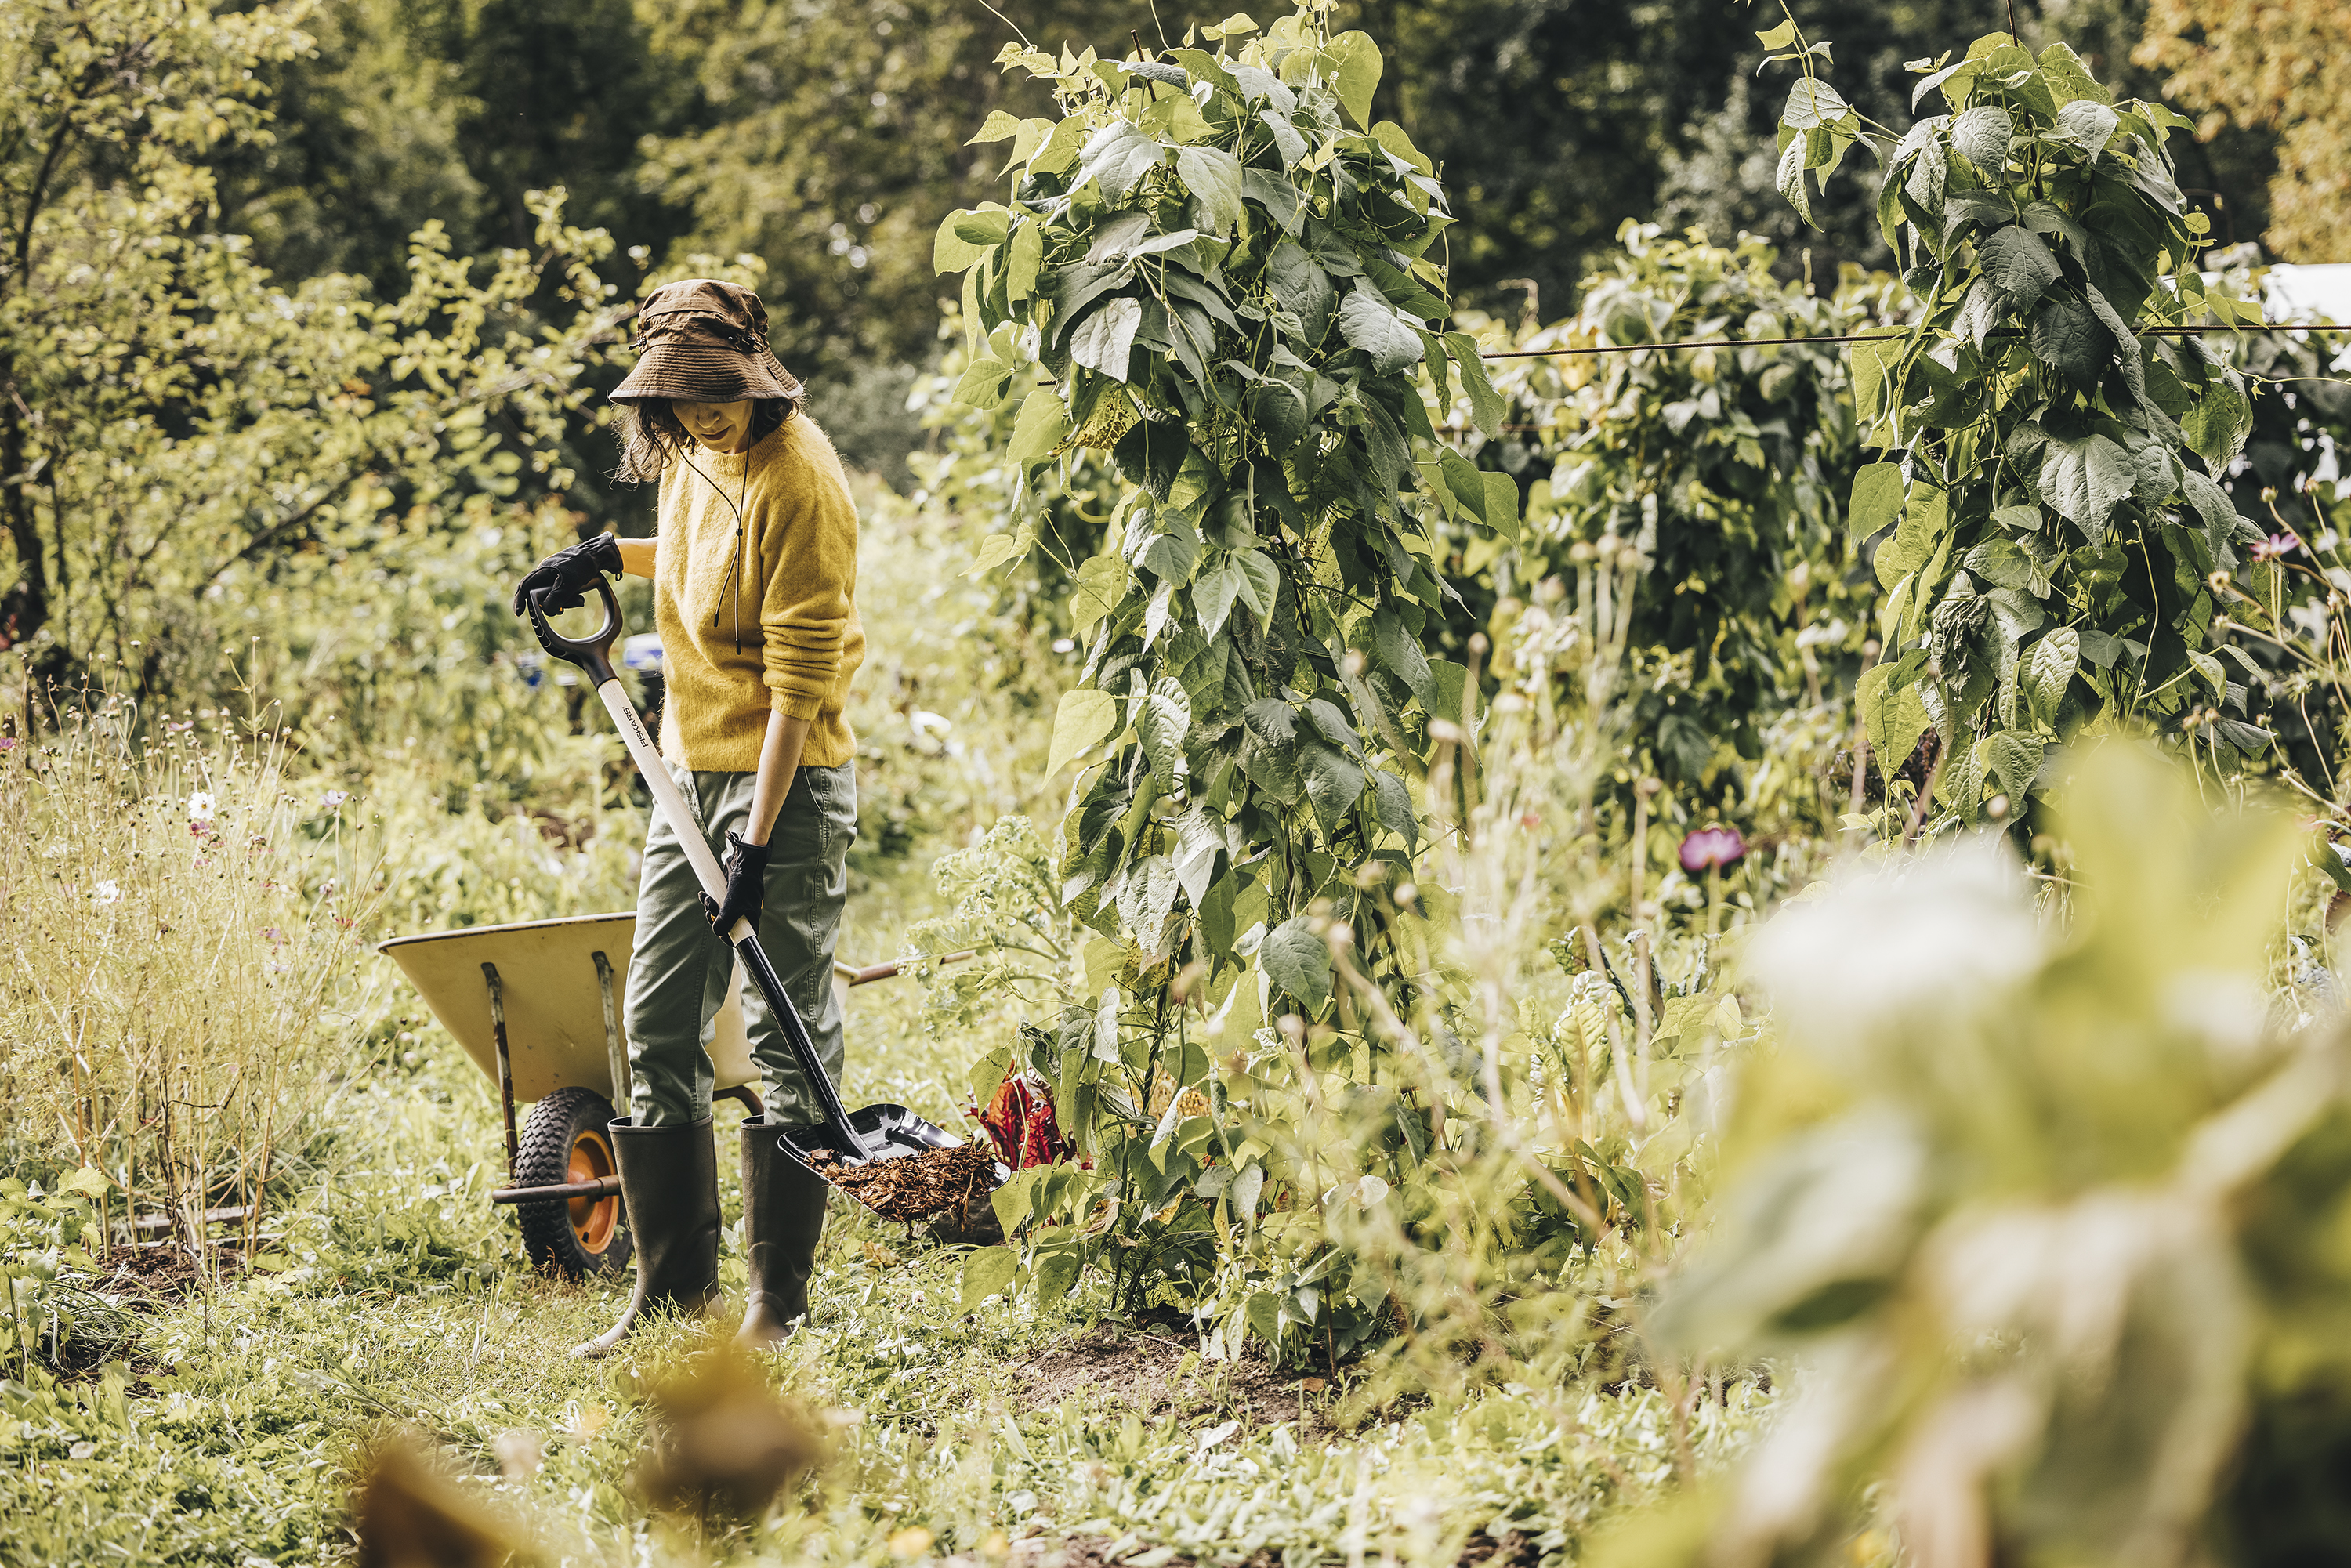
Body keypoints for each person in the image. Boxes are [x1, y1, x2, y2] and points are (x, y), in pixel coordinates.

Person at [512, 278, 863, 1358]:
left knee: (783, 1028)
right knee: (658, 1016)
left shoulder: (804, 479)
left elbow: (801, 682)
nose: (702, 413)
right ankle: (672, 1291)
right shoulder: (689, 458)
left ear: (753, 374)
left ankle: (777, 1303)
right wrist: (609, 556)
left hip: (784, 781)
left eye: (716, 393)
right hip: (686, 780)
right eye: (679, 397)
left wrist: (754, 843)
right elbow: (708, 561)